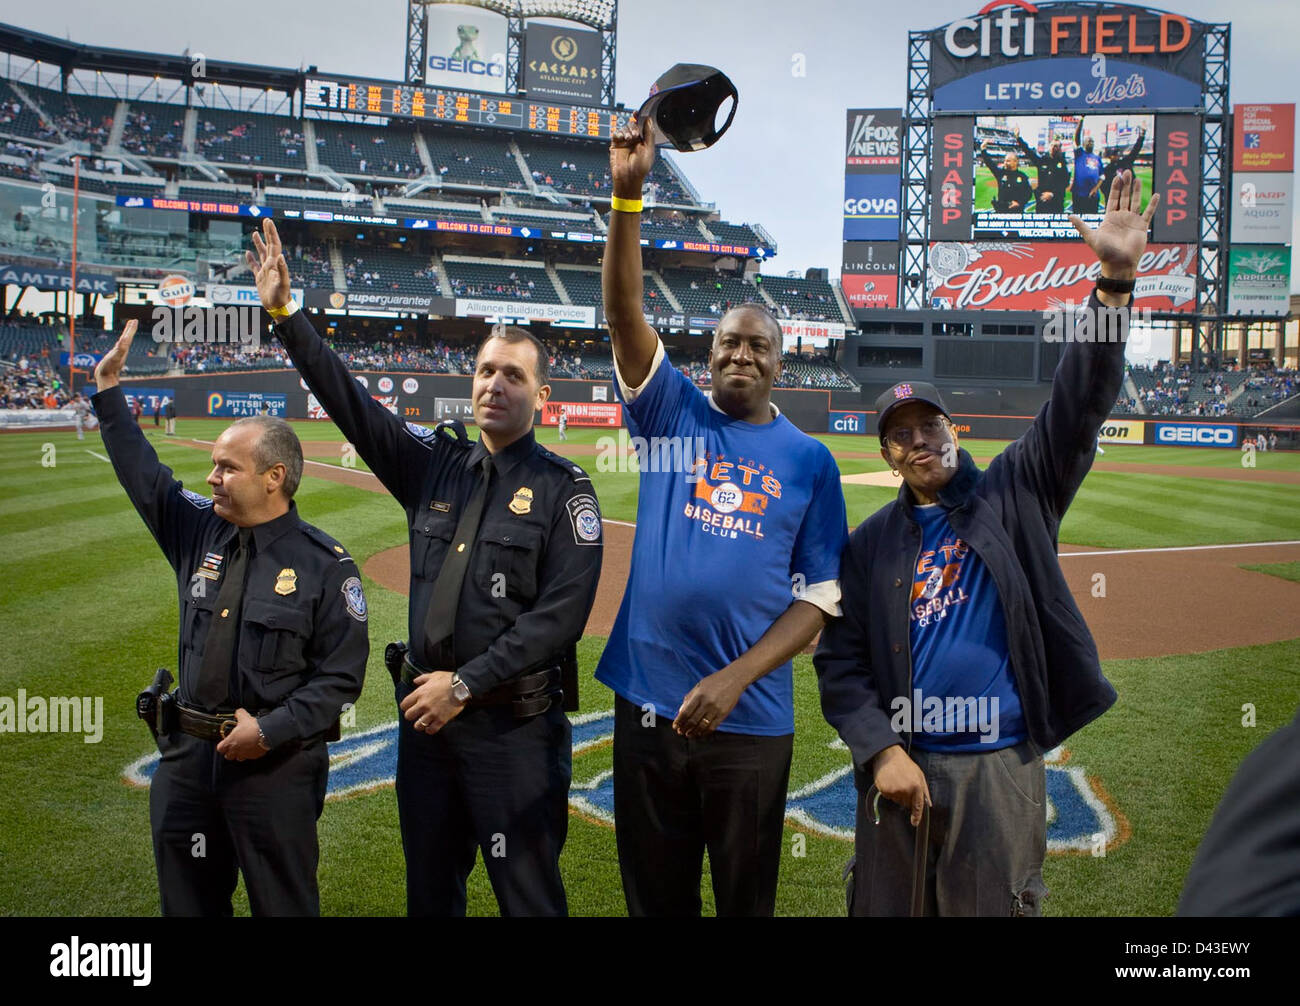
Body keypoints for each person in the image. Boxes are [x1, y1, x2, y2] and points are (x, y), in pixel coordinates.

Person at [814, 170, 1159, 916]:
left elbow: (1080, 400)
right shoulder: (869, 544)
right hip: (904, 765)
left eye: (928, 429)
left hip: (997, 764)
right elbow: (840, 663)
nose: (917, 444)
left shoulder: (1016, 490)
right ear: (887, 457)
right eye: (900, 438)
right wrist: (880, 751)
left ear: (953, 433)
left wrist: (1114, 284)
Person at [246, 217, 602, 917]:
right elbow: (353, 407)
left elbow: (560, 619)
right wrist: (288, 316)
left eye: (514, 375)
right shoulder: (434, 465)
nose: (495, 384)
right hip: (427, 730)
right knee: (430, 896)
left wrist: (465, 685)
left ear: (542, 398)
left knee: (528, 899)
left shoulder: (567, 491)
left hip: (514, 735)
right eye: (485, 370)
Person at [598, 114, 848, 917]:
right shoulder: (674, 415)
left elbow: (818, 601)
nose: (741, 355)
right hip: (647, 703)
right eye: (728, 344)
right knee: (655, 898)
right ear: (708, 355)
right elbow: (623, 316)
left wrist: (735, 680)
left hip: (751, 722)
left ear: (781, 361)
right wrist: (627, 200)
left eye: (757, 347)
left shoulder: (810, 462)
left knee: (746, 900)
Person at [91, 319, 368, 917]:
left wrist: (269, 730)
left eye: (227, 467)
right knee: (187, 906)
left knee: (283, 906)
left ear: (275, 478)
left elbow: (340, 681)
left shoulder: (327, 566)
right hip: (188, 763)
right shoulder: (196, 529)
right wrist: (110, 393)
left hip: (276, 772)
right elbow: (147, 479)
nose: (211, 477)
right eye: (214, 465)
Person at [1015, 133, 1070, 214]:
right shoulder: (1042, 160)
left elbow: (1065, 183)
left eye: (1056, 146)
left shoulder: (1064, 163)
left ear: (1060, 148)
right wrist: (1018, 138)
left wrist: (1052, 194)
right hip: (1042, 201)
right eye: (1052, 145)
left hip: (1056, 202)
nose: (1054, 148)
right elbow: (1028, 152)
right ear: (1049, 147)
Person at [979, 141, 1034, 214]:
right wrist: (983, 150)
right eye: (1005, 161)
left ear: (1015, 162)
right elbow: (989, 163)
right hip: (1001, 210)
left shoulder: (1022, 176)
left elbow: (1028, 193)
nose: (1005, 163)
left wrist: (1019, 203)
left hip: (1016, 210)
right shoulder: (1000, 173)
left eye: (1008, 161)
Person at [1099, 126, 1146, 205]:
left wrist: (1141, 137)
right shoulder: (1107, 169)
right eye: (1114, 154)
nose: (1117, 155)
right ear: (1110, 157)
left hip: (1126, 197)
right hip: (1113, 200)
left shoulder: (1125, 162)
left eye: (1117, 154)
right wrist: (1109, 196)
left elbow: (1135, 150)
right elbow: (1103, 187)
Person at [1071, 120, 1104, 213]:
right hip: (1079, 195)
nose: (1090, 142)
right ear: (1083, 143)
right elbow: (1076, 137)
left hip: (1093, 196)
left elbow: (1102, 177)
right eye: (1088, 140)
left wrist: (1095, 189)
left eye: (1092, 141)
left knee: (1092, 223)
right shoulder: (1079, 153)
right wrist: (1081, 120)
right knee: (1078, 222)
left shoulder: (1097, 158)